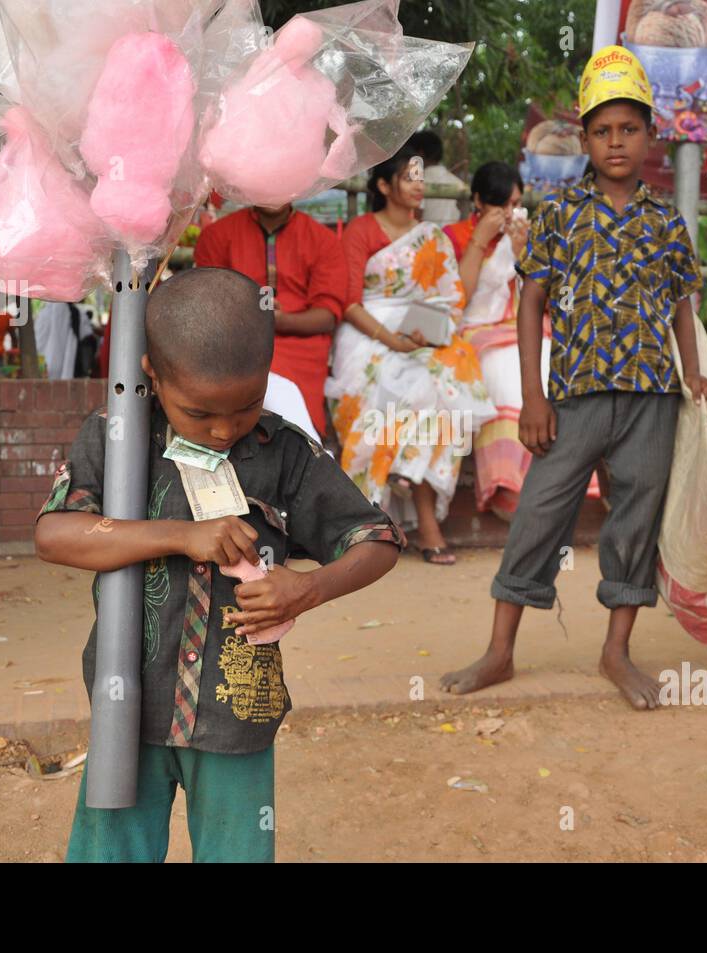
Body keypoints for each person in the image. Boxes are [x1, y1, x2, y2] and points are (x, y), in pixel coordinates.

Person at [34, 268, 404, 863]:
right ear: (153, 372)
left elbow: (379, 540)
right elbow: (56, 534)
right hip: (128, 703)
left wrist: (306, 590)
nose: (226, 428)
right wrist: (182, 536)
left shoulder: (283, 452)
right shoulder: (116, 435)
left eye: (246, 405)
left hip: (237, 712)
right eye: (200, 413)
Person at [440, 46, 707, 709]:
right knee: (538, 512)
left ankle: (616, 650)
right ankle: (500, 651)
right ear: (585, 138)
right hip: (574, 397)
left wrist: (696, 374)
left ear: (650, 135)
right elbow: (532, 301)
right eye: (601, 130)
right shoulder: (561, 212)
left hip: (651, 395)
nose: (615, 141)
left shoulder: (665, 221)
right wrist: (534, 396)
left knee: (635, 520)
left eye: (628, 128)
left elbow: (682, 304)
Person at [327, 146, 496, 565]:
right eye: (409, 177)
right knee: (405, 385)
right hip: (369, 333)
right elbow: (348, 302)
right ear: (384, 185)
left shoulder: (433, 237)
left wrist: (424, 332)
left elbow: (452, 299)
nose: (419, 185)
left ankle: (417, 493)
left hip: (423, 333)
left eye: (421, 177)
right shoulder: (361, 231)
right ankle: (389, 514)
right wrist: (391, 338)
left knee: (450, 383)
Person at [192, 202, 348, 436]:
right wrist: (250, 316)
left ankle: (302, 450)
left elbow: (326, 316)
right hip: (235, 341)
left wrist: (277, 320)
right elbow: (207, 303)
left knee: (287, 417)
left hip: (300, 344)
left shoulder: (322, 239)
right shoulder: (217, 234)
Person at [443, 161, 539, 519]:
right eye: (503, 205)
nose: (510, 213)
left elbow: (537, 296)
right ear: (479, 201)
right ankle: (505, 486)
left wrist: (523, 253)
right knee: (504, 373)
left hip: (518, 327)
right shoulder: (453, 236)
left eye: (516, 203)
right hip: (470, 331)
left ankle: (541, 489)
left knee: (543, 365)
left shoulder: (522, 236)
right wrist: (480, 240)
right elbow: (457, 300)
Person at [407, 129, 464, 227]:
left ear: (420, 154)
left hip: (425, 239)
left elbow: (416, 218)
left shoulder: (417, 183)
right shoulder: (459, 183)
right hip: (454, 239)